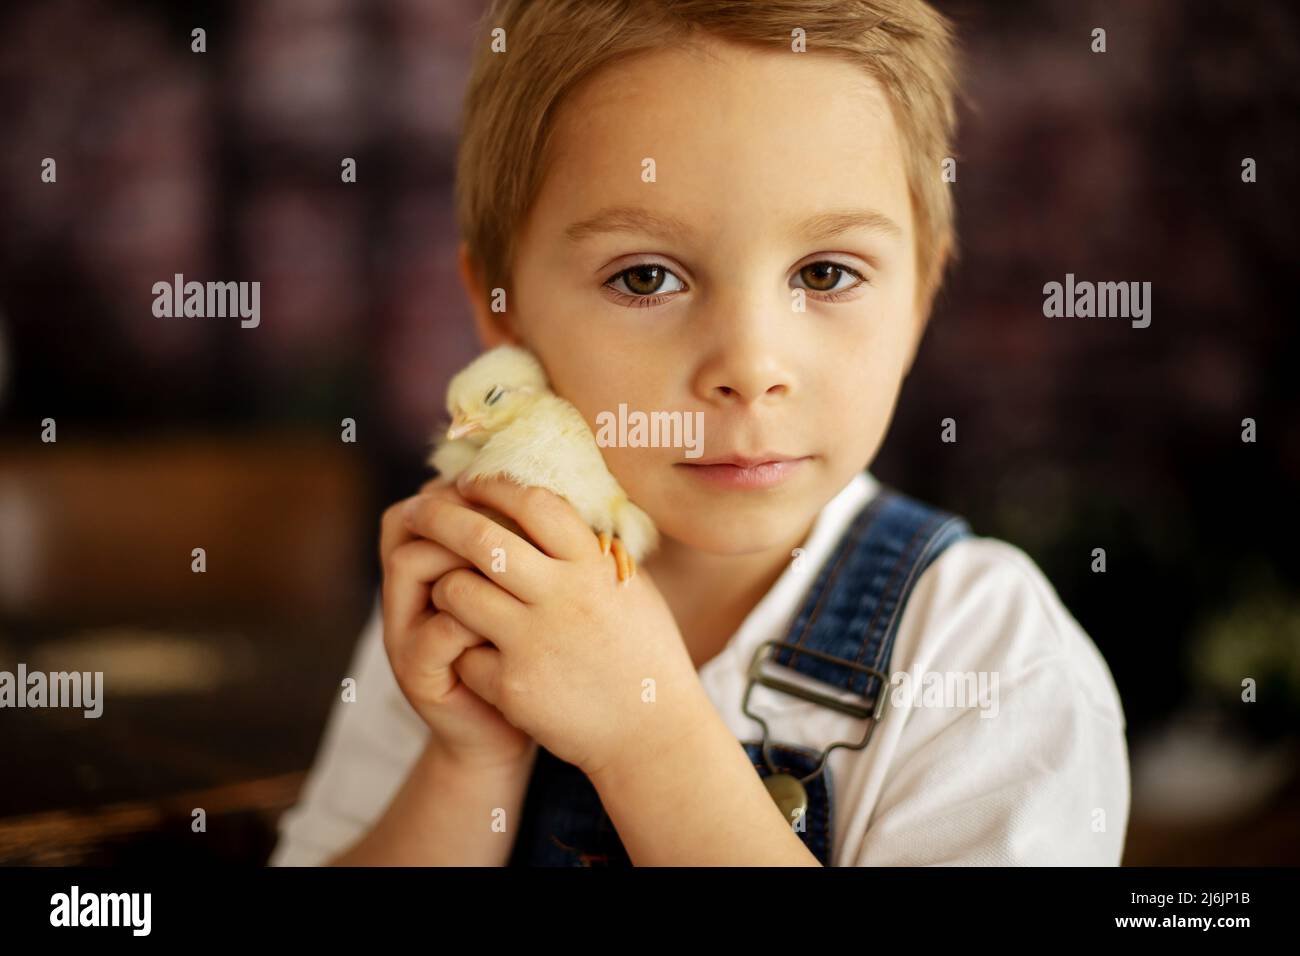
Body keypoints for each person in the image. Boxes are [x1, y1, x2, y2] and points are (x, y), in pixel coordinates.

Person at [270, 0, 1129, 867]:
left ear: (917, 301)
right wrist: (468, 759)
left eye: (825, 273)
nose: (751, 365)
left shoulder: (987, 653)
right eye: (646, 276)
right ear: (504, 313)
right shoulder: (482, 587)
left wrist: (648, 739)